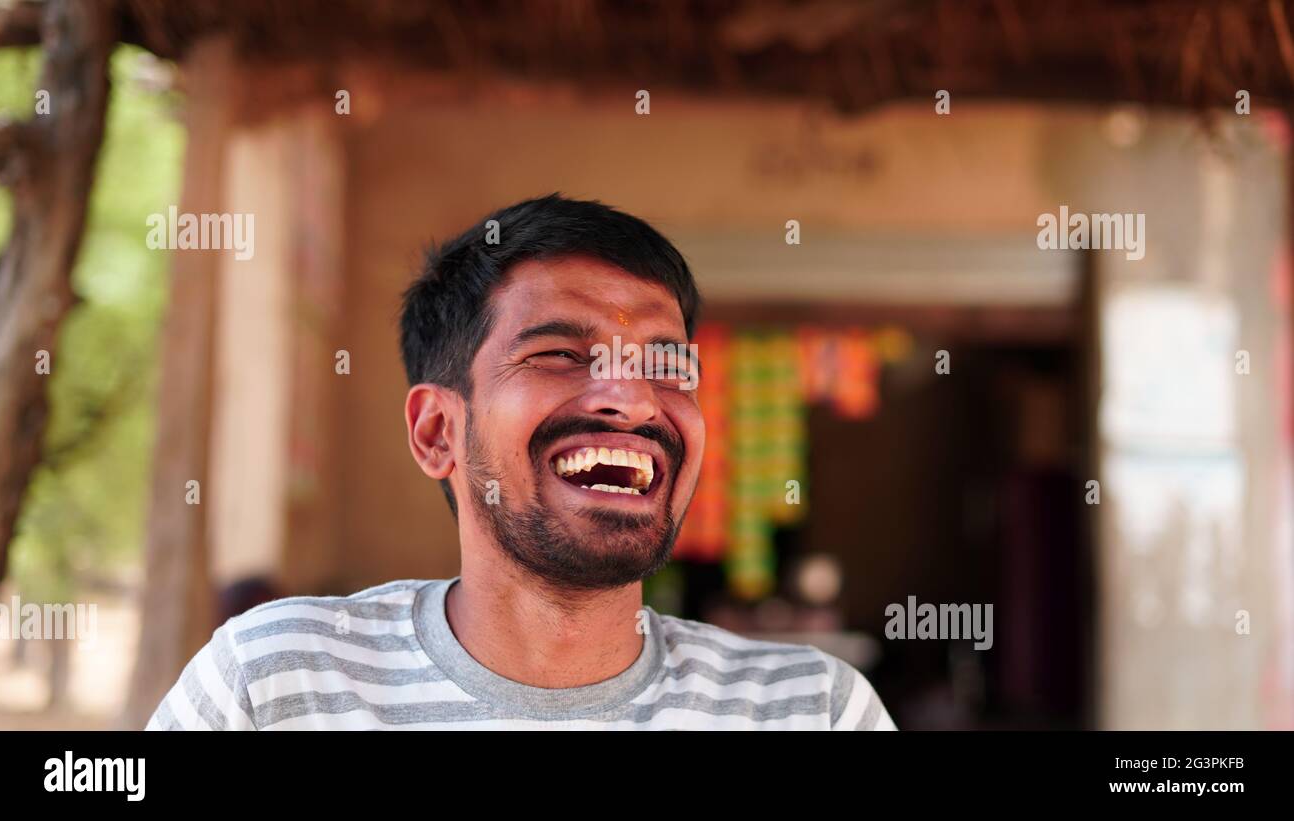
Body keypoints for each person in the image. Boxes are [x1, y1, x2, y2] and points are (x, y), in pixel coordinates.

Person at [146, 194, 894, 730]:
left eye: (667, 364)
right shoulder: (274, 682)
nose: (632, 402)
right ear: (438, 431)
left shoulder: (812, 708)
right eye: (562, 354)